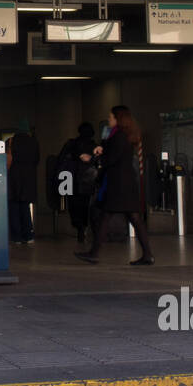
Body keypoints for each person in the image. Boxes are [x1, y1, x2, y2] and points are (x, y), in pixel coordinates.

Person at [75, 106, 154, 266]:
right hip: (126, 184)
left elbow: (112, 159)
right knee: (134, 218)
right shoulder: (124, 135)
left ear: (118, 119)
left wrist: (91, 159)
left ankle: (94, 253)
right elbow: (113, 154)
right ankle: (147, 254)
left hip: (118, 185)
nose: (109, 120)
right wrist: (101, 150)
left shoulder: (118, 136)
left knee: (106, 216)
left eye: (111, 117)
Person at [57, 121, 98, 242]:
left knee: (73, 205)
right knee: (85, 205)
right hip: (87, 180)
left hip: (70, 179)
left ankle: (78, 226)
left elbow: (60, 158)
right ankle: (83, 227)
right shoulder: (93, 145)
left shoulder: (71, 144)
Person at [6, 118, 39, 245]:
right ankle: (29, 235)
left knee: (14, 207)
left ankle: (16, 237)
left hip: (14, 179)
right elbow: (37, 160)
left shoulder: (11, 141)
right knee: (25, 207)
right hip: (28, 180)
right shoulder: (34, 142)